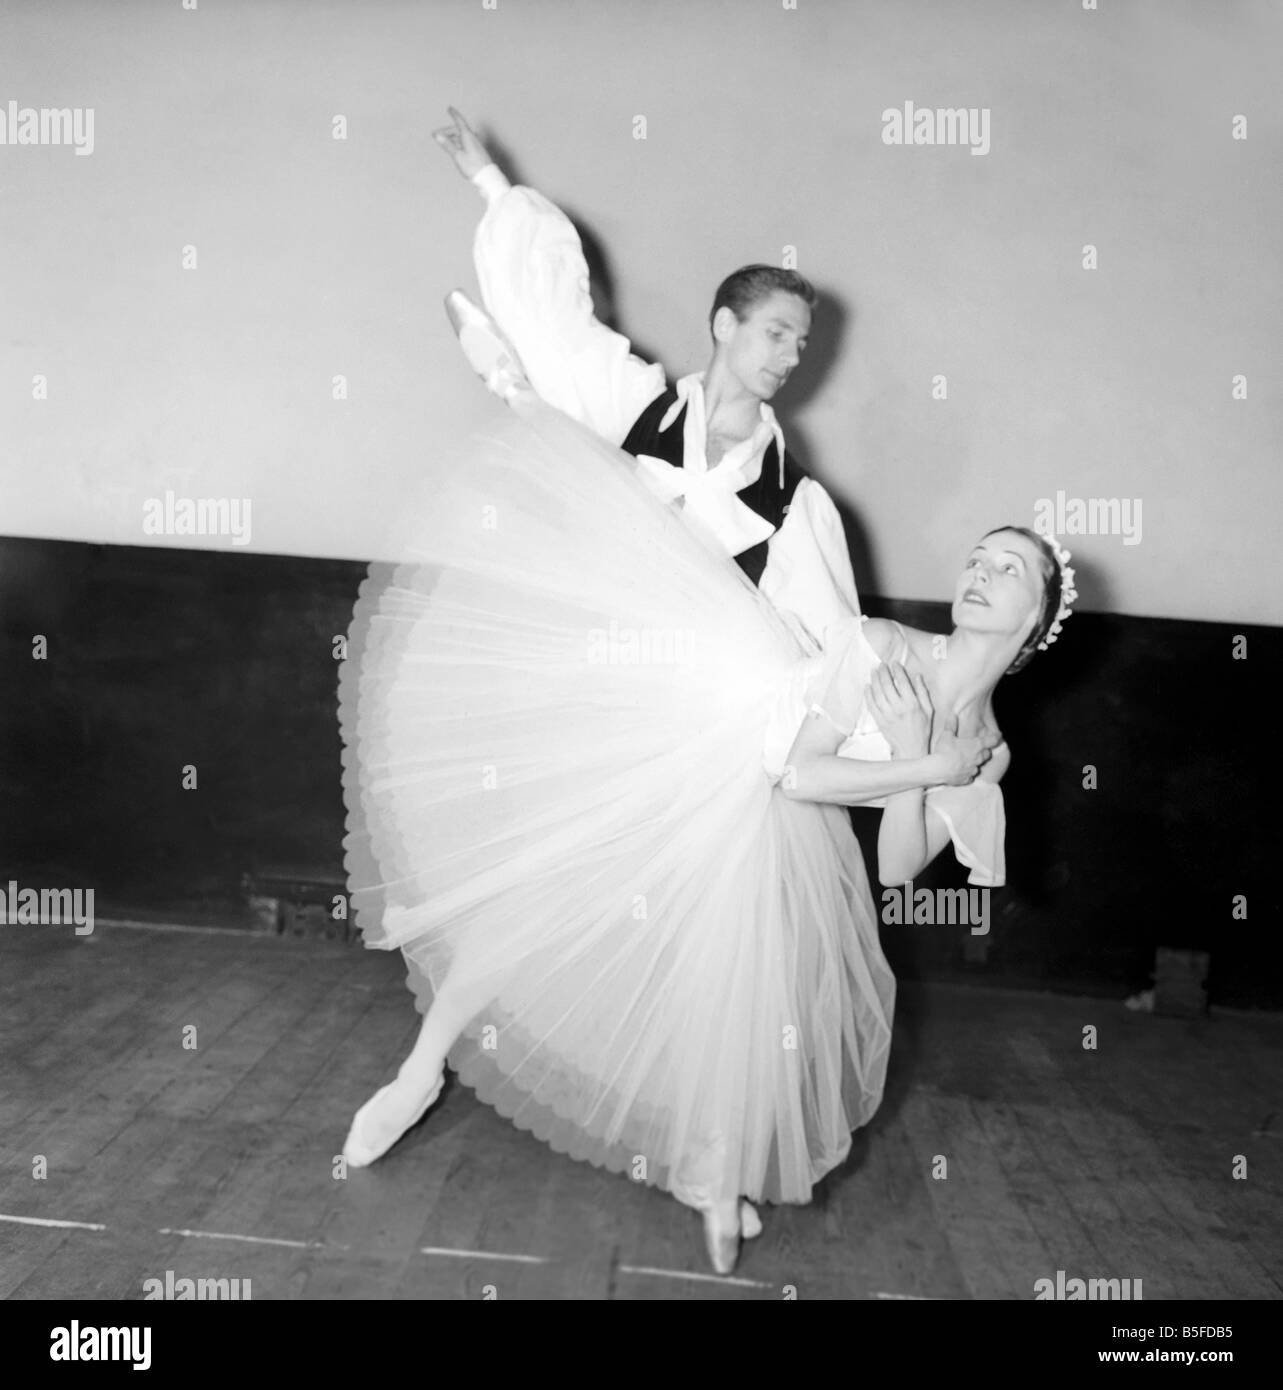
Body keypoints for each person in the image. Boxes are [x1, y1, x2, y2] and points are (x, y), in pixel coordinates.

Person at [337, 326, 1076, 1275]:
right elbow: (799, 771)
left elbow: (897, 866)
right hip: (716, 736)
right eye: (977, 557)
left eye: (1007, 568)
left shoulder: (989, 749)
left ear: (1034, 621)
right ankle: (418, 1072)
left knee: (744, 990)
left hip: (776, 812)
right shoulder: (885, 646)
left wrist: (920, 761)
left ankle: (709, 1175)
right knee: (549, 890)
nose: (979, 574)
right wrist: (917, 768)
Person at [431, 107, 861, 654]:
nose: (792, 356)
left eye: (800, 343)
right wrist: (489, 180)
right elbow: (554, 325)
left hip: (704, 702)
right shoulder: (634, 406)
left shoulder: (791, 499)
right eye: (777, 333)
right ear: (726, 324)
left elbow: (836, 641)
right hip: (599, 657)